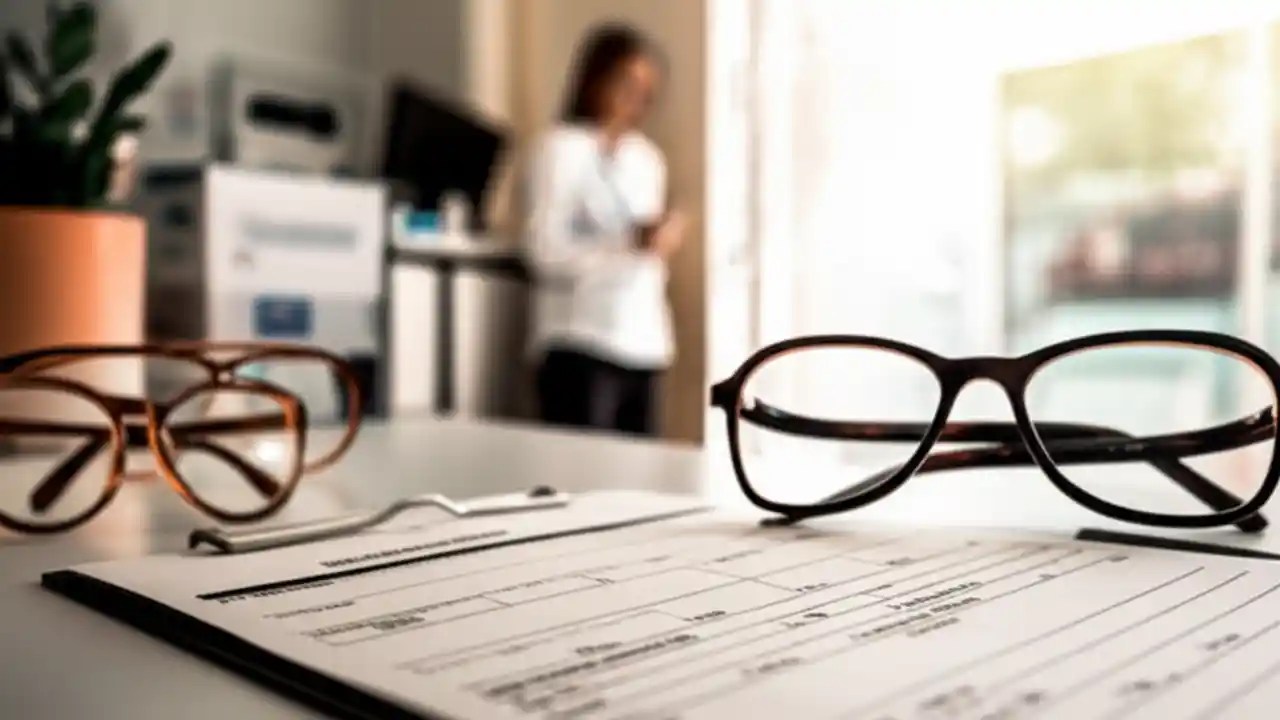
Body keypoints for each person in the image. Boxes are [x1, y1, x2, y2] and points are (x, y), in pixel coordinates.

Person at [524, 24, 685, 437]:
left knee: (638, 487)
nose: (634, 100)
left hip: (643, 343)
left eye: (646, 90)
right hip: (580, 341)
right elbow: (543, 251)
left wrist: (656, 240)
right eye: (626, 83)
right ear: (595, 79)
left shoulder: (646, 159)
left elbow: (644, 254)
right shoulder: (560, 149)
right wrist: (623, 244)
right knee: (583, 484)